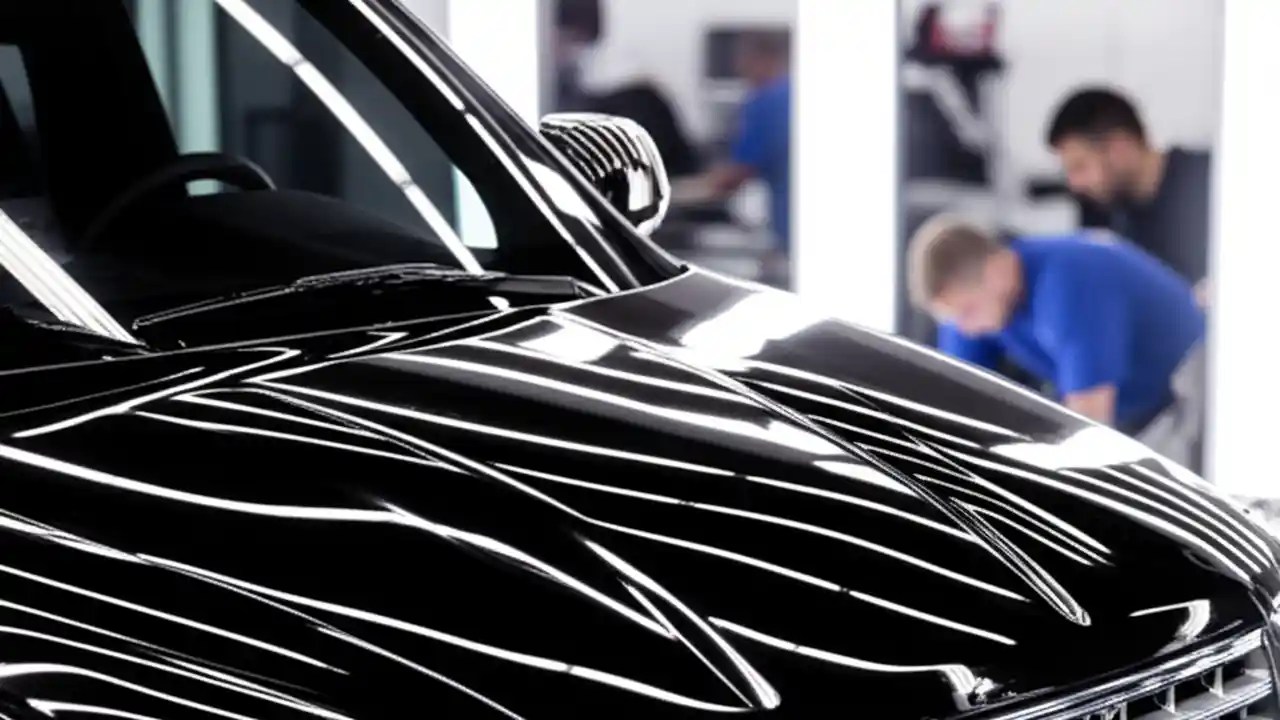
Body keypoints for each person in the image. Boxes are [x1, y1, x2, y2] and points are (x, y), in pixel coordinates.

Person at [909, 215, 1207, 469]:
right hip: (1133, 411)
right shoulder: (983, 305)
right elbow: (953, 413)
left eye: (967, 312)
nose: (967, 330)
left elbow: (1091, 431)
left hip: (1191, 394)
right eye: (953, 320)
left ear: (996, 271)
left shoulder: (1068, 285)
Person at [1046, 88, 1212, 303]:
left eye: (1080, 166)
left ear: (1120, 149)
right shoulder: (1111, 227)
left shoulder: (1214, 181)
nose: (1074, 184)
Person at [680, 31, 792, 283]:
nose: (740, 69)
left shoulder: (765, 102)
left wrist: (675, 192)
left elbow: (732, 178)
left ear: (759, 58)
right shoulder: (800, 93)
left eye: (743, 60)